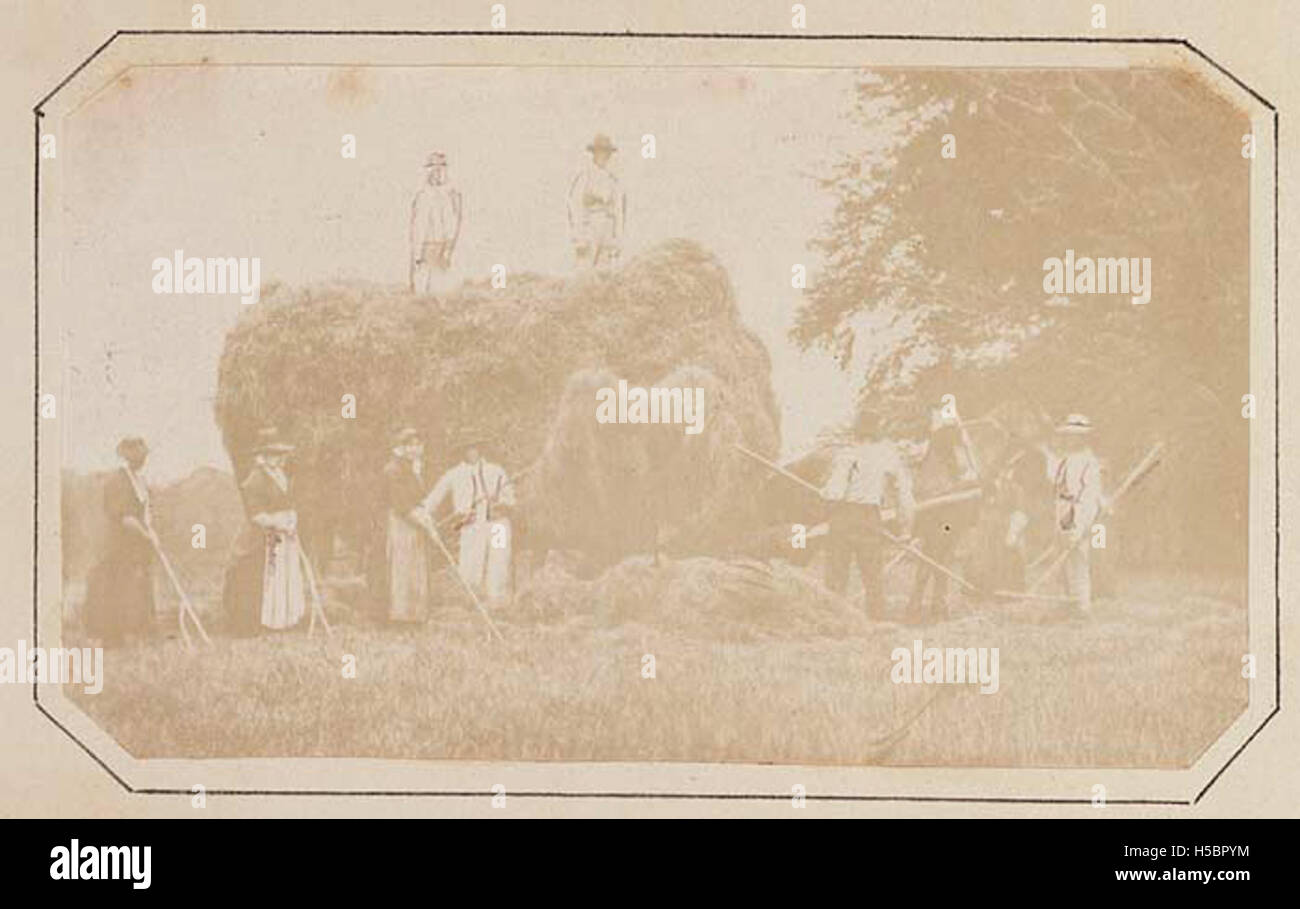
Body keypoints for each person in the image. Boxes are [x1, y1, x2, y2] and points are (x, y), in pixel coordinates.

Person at [820, 412, 915, 619]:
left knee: (836, 577)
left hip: (844, 516)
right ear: (878, 431)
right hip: (870, 518)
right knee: (873, 577)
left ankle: (835, 621)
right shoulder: (887, 456)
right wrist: (905, 529)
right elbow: (904, 495)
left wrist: (824, 494)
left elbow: (835, 492)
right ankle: (876, 622)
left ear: (856, 430)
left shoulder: (847, 454)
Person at [222, 428, 307, 634]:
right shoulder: (256, 479)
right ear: (264, 455)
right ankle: (254, 624)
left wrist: (291, 520)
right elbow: (256, 515)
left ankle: (283, 620)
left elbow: (288, 502)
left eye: (282, 454)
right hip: (260, 536)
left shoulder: (279, 475)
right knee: (256, 576)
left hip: (283, 535)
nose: (280, 458)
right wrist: (280, 524)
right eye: (275, 454)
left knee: (283, 577)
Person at [907, 405, 982, 623]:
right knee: (936, 553)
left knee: (939, 553)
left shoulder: (950, 446)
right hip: (936, 507)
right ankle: (927, 602)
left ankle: (930, 602)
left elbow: (969, 471)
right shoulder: (935, 448)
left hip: (945, 508)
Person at [421, 438, 515, 604]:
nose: (472, 452)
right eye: (468, 449)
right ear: (462, 452)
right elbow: (433, 500)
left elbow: (510, 498)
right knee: (470, 562)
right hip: (471, 523)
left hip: (498, 523)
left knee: (499, 559)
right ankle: (471, 601)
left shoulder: (496, 470)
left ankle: (497, 599)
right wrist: (422, 514)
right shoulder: (454, 474)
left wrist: (501, 504)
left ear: (480, 449)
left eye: (475, 448)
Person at [83, 436, 157, 644]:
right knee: (113, 587)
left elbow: (145, 513)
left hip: (135, 545)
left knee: (134, 587)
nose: (143, 459)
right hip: (117, 544)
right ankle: (109, 638)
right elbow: (125, 517)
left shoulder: (139, 481)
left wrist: (151, 532)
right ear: (127, 455)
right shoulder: (117, 481)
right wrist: (146, 535)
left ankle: (135, 632)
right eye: (140, 455)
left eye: (144, 455)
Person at [1039, 414, 1103, 613]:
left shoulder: (1090, 462)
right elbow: (1054, 479)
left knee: (1079, 558)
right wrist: (1044, 452)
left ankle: (1083, 606)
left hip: (1079, 511)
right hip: (1063, 510)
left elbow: (1090, 495)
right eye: (1067, 435)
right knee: (1065, 558)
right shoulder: (1066, 459)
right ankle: (1070, 602)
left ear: (1083, 438)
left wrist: (1081, 525)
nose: (1069, 439)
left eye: (1074, 436)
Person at [381, 427, 431, 623]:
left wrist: (425, 516)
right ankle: (400, 616)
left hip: (416, 521)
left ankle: (416, 614)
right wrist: (420, 518)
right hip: (401, 523)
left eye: (418, 445)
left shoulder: (415, 468)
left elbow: (420, 497)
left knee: (416, 568)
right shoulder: (393, 469)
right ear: (401, 447)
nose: (415, 449)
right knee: (402, 568)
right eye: (410, 445)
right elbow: (400, 503)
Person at [567, 133, 626, 270]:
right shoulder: (585, 176)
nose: (604, 156)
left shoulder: (613, 179)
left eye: (607, 152)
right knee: (584, 268)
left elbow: (618, 210)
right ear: (594, 153)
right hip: (590, 225)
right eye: (600, 151)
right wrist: (579, 236)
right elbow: (575, 205)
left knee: (604, 271)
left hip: (607, 227)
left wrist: (617, 238)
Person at [409, 151, 463, 295]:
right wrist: (417, 254)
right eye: (432, 165)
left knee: (444, 289)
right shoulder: (422, 195)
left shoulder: (453, 195)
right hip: (426, 248)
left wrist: (449, 249)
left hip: (445, 247)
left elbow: (455, 223)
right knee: (422, 289)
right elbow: (417, 226)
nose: (437, 170)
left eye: (442, 165)